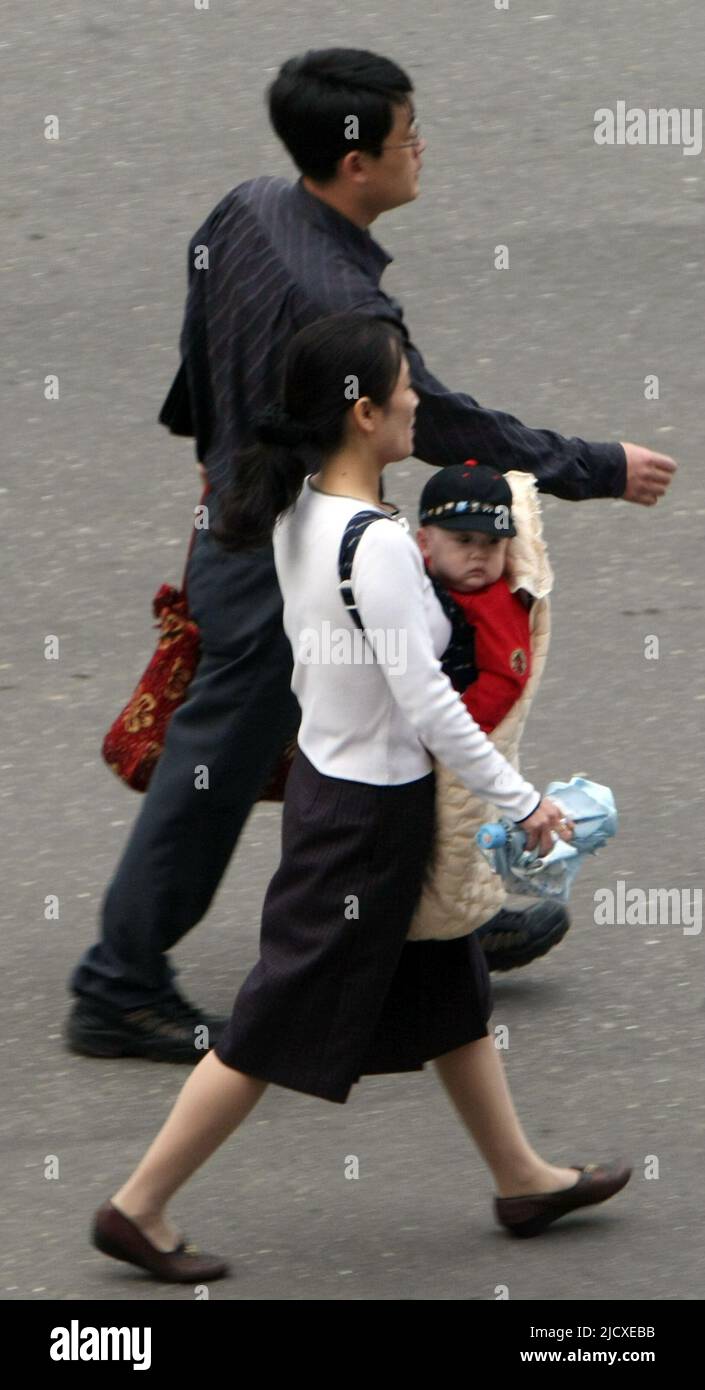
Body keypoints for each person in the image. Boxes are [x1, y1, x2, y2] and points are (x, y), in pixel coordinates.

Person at [67, 47, 677, 1063]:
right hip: (283, 560)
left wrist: (219, 454)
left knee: (369, 751)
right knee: (224, 771)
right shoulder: (347, 314)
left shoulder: (246, 207)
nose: (420, 148)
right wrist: (595, 466)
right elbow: (437, 420)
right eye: (407, 135)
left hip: (246, 516)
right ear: (357, 163)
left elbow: (199, 344)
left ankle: (431, 924)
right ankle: (119, 981)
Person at [90, 314, 631, 1284]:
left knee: (449, 987)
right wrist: (523, 802)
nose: (420, 397)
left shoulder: (302, 511)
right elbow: (427, 702)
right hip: (364, 820)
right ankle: (137, 1205)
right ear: (366, 413)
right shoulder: (377, 545)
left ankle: (522, 1176)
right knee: (268, 1022)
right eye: (405, 387)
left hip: (346, 793)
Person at [406, 461, 561, 954]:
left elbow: (505, 679)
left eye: (491, 545)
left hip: (457, 743)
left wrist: (448, 733)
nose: (478, 557)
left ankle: (468, 928)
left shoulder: (493, 605)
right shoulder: (402, 574)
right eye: (463, 542)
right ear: (425, 542)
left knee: (458, 843)